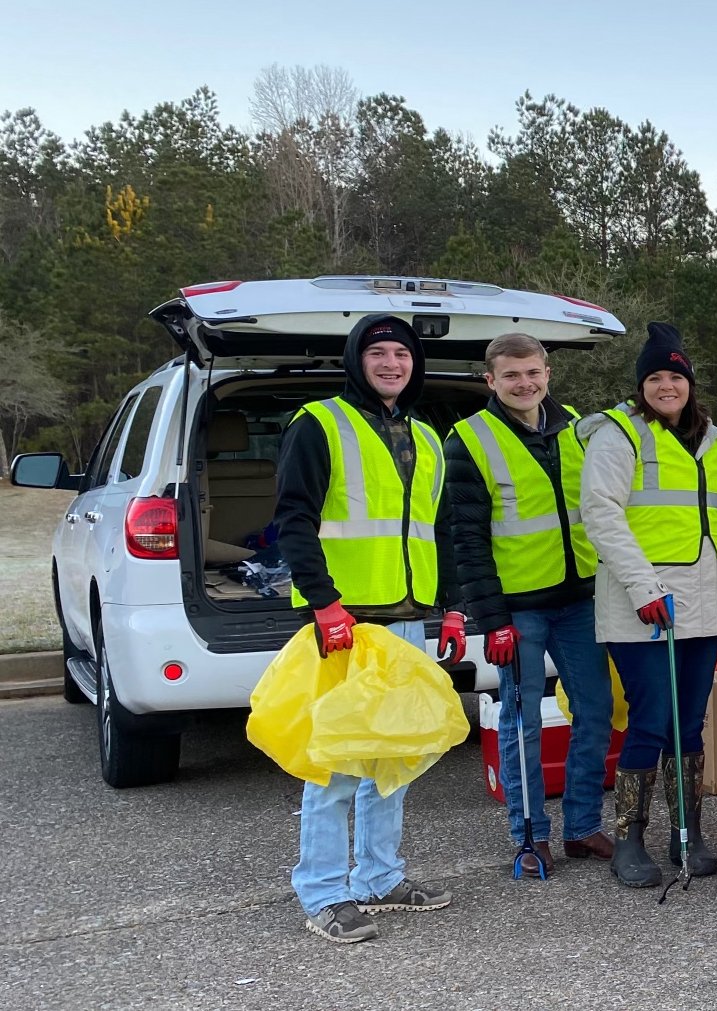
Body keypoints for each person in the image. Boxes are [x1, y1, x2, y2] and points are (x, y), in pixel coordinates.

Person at [274, 314, 460, 943]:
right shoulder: (320, 423)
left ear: (415, 366)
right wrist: (324, 603)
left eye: (401, 355)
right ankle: (323, 892)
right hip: (346, 622)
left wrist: (453, 606)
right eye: (378, 354)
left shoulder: (426, 437)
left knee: (393, 756)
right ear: (357, 361)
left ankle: (379, 879)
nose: (391, 364)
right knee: (334, 764)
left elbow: (443, 531)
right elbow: (293, 520)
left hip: (407, 618)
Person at [446, 333, 612, 877]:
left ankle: (583, 827)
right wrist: (491, 618)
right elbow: (465, 540)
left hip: (581, 600)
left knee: (595, 712)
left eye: (533, 372)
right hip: (517, 610)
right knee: (522, 723)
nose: (525, 383)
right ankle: (530, 836)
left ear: (547, 374)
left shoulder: (578, 427)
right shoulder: (469, 438)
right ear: (490, 380)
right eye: (512, 375)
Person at [579, 322, 717, 888]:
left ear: (690, 383)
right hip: (642, 604)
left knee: (689, 725)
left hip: (704, 605)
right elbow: (601, 514)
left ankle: (686, 833)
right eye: (656, 377)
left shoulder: (715, 441)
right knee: (650, 720)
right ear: (641, 384)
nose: (667, 386)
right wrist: (645, 589)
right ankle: (629, 838)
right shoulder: (617, 436)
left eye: (676, 376)